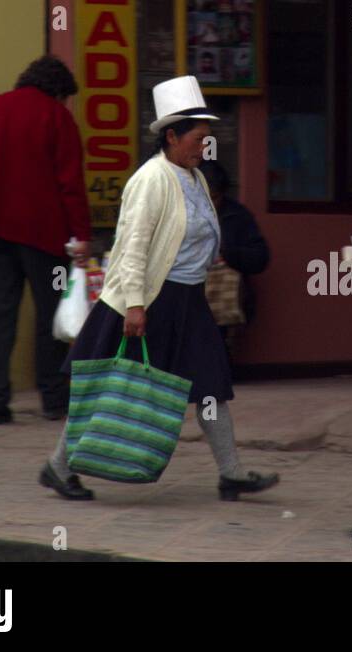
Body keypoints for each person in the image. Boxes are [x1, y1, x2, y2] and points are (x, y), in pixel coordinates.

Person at [39, 75, 278, 502]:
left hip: (188, 299)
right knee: (111, 384)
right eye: (199, 138)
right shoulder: (150, 180)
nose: (205, 146)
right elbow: (131, 248)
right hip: (147, 300)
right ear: (171, 135)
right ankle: (58, 467)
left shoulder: (197, 178)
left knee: (210, 385)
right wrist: (134, 306)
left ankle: (232, 473)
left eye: (208, 138)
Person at [0, 55, 91, 425]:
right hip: (42, 235)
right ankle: (52, 399)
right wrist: (81, 236)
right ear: (58, 91)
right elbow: (71, 186)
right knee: (49, 315)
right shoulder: (56, 117)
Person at [197, 159, 269, 350]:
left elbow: (260, 259)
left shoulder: (236, 216)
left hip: (221, 304)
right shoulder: (180, 212)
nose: (210, 204)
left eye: (214, 198)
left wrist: (226, 253)